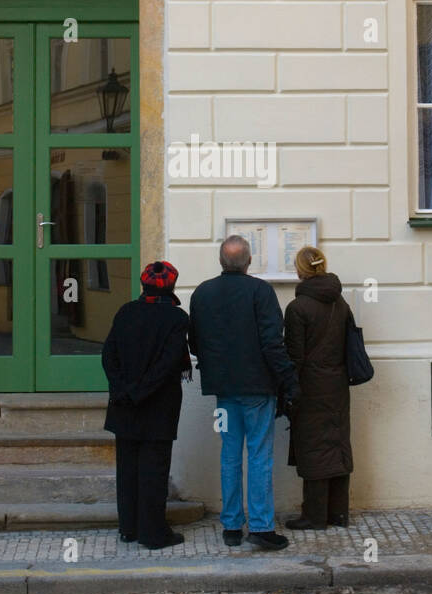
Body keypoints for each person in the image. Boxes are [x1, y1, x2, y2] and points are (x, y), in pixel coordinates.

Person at [189, 235, 301, 550]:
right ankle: (262, 526)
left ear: (221, 262)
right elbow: (272, 342)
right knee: (260, 455)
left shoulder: (203, 292)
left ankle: (232, 525)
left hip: (223, 390)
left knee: (229, 454)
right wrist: (289, 380)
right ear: (249, 261)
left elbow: (195, 342)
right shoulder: (260, 292)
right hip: (257, 387)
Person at [101, 260, 191, 549]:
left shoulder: (126, 311)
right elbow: (168, 364)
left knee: (127, 470)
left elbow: (108, 355)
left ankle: (128, 528)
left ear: (144, 285)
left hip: (124, 404)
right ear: (172, 286)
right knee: (154, 470)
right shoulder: (177, 319)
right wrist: (140, 392)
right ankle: (153, 533)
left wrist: (122, 390)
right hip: (157, 407)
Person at [282, 245, 353, 530]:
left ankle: (314, 516)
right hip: (337, 383)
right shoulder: (341, 302)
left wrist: (289, 391)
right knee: (336, 443)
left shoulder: (298, 307)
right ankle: (338, 513)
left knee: (313, 447)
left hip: (310, 386)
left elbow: (294, 356)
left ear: (300, 270)